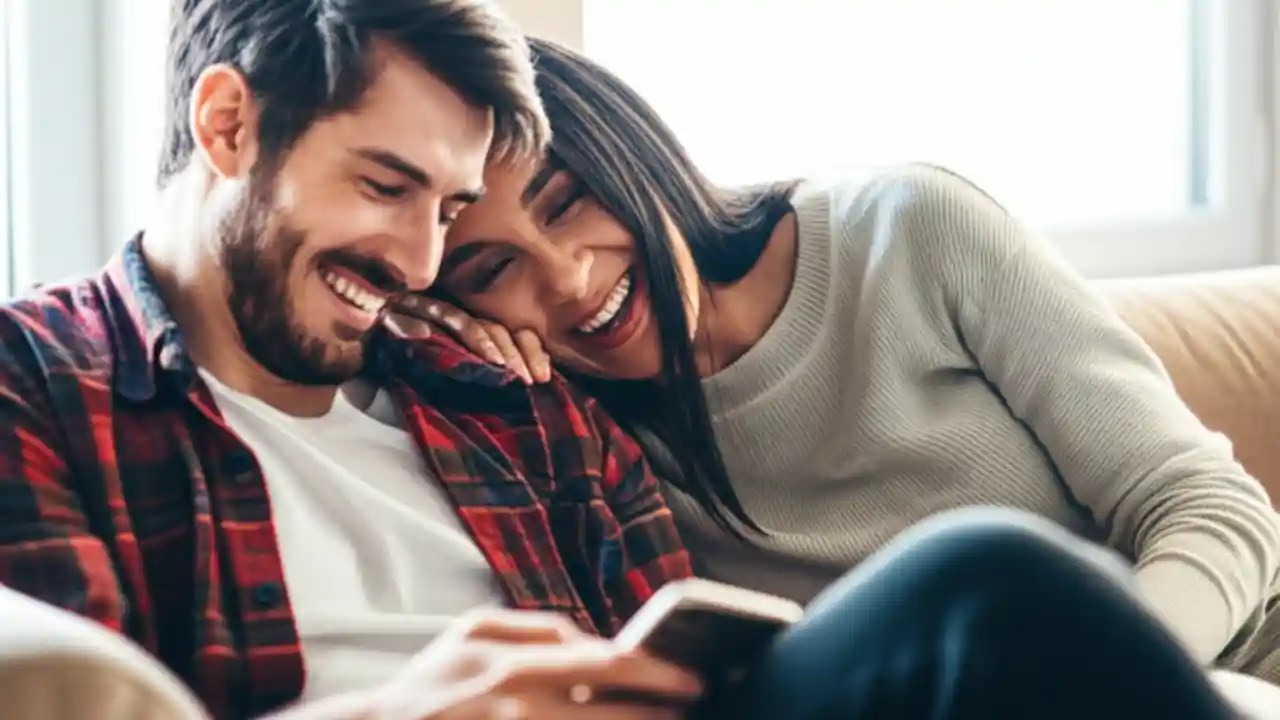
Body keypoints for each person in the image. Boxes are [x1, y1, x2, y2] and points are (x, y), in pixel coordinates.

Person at [408, 38, 1280, 682]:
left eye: (567, 208)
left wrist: (1101, 686)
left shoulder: (907, 230)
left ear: (631, 157)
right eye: (494, 270)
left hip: (1225, 659)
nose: (565, 279)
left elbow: (1208, 508)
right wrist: (430, 329)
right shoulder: (581, 445)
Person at [0, 2, 702, 718]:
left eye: (447, 213)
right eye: (386, 188)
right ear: (226, 124)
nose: (422, 263)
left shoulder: (521, 408)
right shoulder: (32, 385)